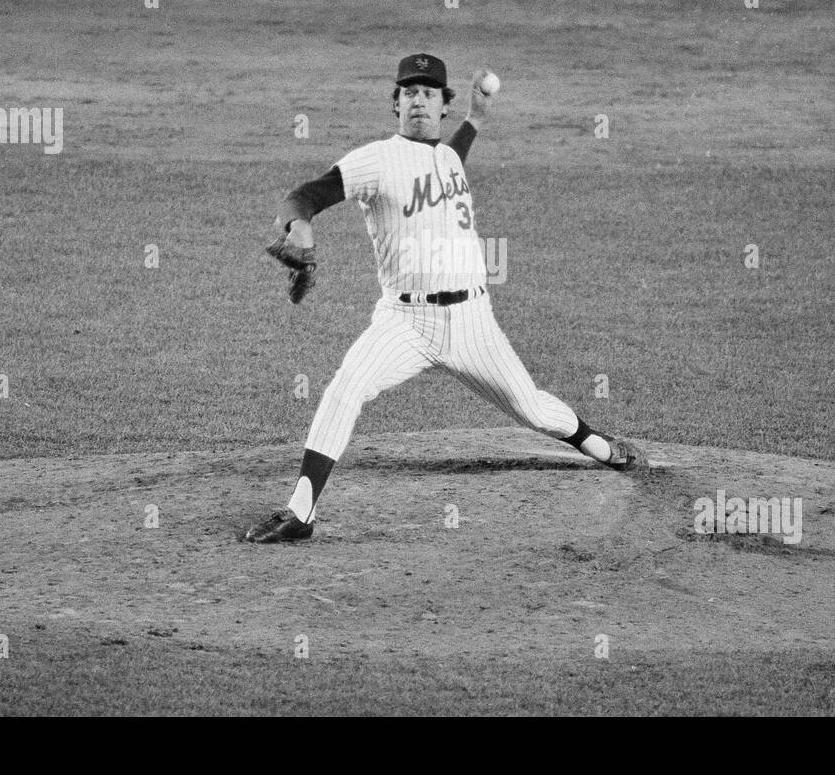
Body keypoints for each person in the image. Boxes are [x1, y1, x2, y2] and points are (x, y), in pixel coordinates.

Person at [246, 53, 649, 543]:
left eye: (429, 93)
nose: (419, 100)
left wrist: (476, 119)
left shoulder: (448, 157)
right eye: (409, 93)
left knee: (532, 408)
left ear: (442, 107)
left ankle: (601, 447)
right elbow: (305, 195)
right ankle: (300, 513)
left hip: (473, 322)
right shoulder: (375, 160)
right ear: (395, 105)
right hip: (405, 322)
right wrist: (302, 227)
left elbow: (449, 156)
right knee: (344, 388)